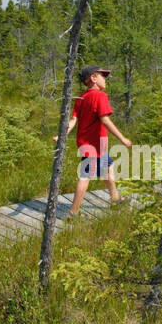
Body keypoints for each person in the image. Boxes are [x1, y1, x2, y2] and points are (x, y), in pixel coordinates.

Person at [55, 65, 132, 217]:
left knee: (108, 169)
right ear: (93, 78)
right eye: (103, 76)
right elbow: (105, 119)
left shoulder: (81, 98)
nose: (106, 79)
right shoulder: (100, 96)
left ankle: (115, 200)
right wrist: (122, 138)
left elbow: (73, 120)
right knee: (85, 176)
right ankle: (73, 213)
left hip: (91, 143)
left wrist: (62, 135)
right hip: (94, 145)